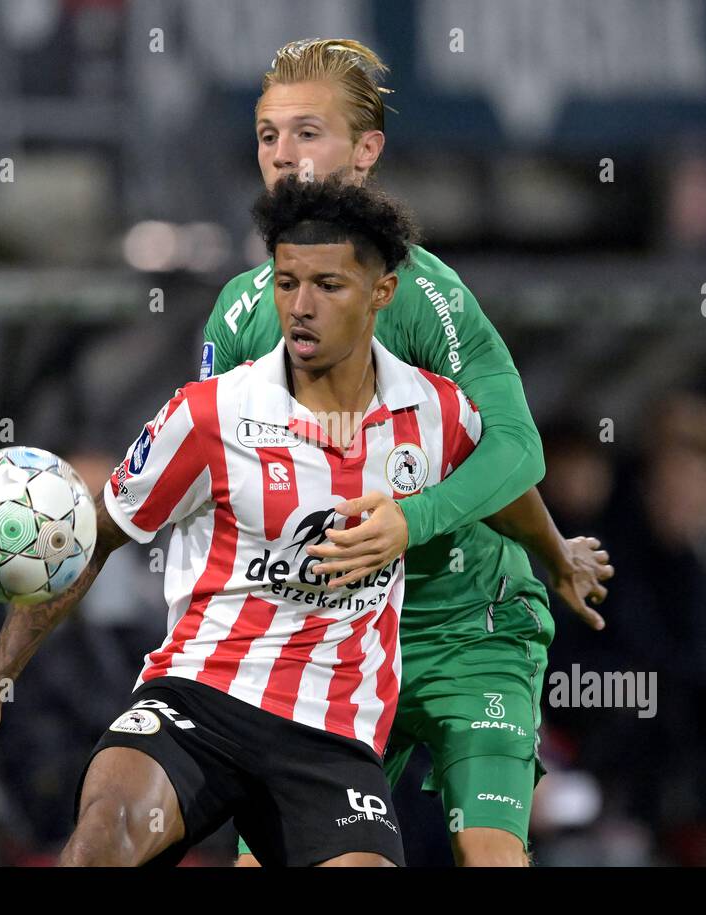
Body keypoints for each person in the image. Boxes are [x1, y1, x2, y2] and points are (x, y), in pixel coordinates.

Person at [0, 175, 485, 866]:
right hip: (198, 701)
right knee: (98, 844)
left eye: (328, 285)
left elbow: (510, 471)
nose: (302, 308)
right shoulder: (209, 414)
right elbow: (86, 543)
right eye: (287, 284)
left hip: (330, 734)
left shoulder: (436, 415)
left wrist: (555, 554)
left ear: (382, 292)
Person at [204, 38, 612, 866]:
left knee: (489, 852)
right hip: (333, 635)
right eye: (267, 134)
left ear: (365, 152)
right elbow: (220, 475)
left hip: (469, 625)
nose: (283, 155)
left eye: (308, 132)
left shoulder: (425, 299)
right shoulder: (240, 315)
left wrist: (417, 522)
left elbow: (511, 449)